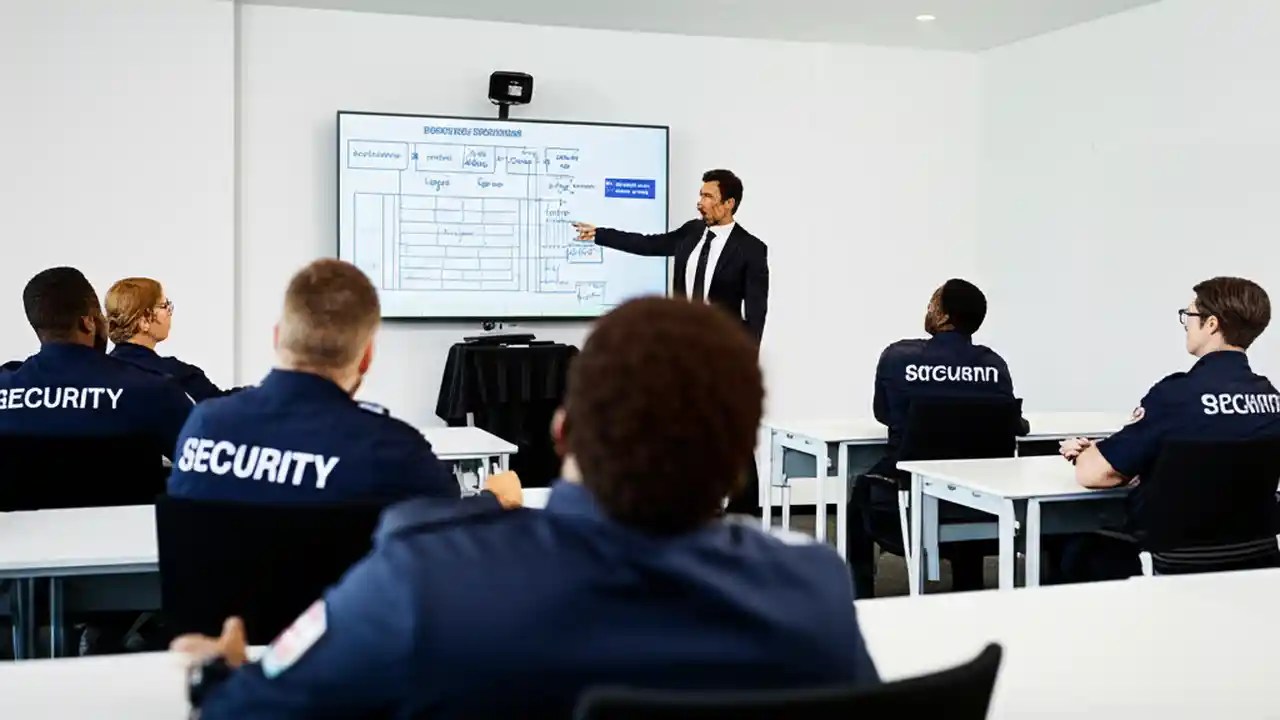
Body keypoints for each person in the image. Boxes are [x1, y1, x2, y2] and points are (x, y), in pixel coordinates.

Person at [173, 297, 879, 720]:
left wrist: (214, 671)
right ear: (738, 461)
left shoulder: (424, 580)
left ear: (561, 430)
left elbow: (247, 714)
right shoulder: (813, 590)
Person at [167, 258, 521, 508]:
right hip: (343, 617)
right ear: (366, 356)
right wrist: (494, 499)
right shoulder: (393, 452)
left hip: (218, 616)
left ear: (277, 337)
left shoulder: (204, 427)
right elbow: (444, 537)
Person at [1058, 276, 1280, 580]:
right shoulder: (1271, 400)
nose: (1186, 324)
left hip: (1171, 564)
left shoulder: (1175, 396)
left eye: (1189, 316)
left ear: (1211, 324)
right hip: (1256, 564)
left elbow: (1095, 474)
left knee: (1068, 547)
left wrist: (1083, 454)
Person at [850, 279, 1023, 596]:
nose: (928, 309)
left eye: (933, 303)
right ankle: (968, 582)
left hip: (905, 505)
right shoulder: (994, 366)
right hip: (979, 504)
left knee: (860, 492)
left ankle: (860, 596)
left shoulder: (898, 357)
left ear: (944, 317)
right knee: (964, 471)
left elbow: (884, 414)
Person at [0, 267, 193, 454]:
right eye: (101, 315)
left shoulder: (5, 387)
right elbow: (206, 466)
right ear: (89, 323)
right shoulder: (151, 390)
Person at [572, 169, 769, 342]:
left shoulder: (751, 249)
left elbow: (756, 316)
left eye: (708, 197)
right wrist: (601, 234)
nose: (700, 203)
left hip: (721, 351)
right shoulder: (692, 231)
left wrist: (746, 366)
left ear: (729, 203)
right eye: (701, 196)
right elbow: (648, 244)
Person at [105, 277, 231, 402]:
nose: (169, 313)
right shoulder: (176, 376)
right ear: (144, 320)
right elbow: (220, 406)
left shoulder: (98, 375)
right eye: (165, 306)